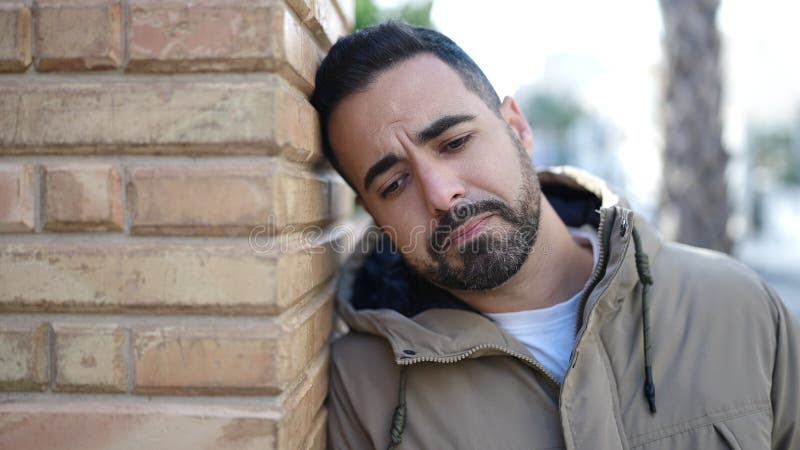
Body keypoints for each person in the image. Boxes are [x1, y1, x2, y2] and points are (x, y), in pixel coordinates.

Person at [310, 21, 800, 450]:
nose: (440, 193)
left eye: (455, 142)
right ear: (372, 214)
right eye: (394, 184)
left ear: (518, 128)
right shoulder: (364, 386)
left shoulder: (736, 305)